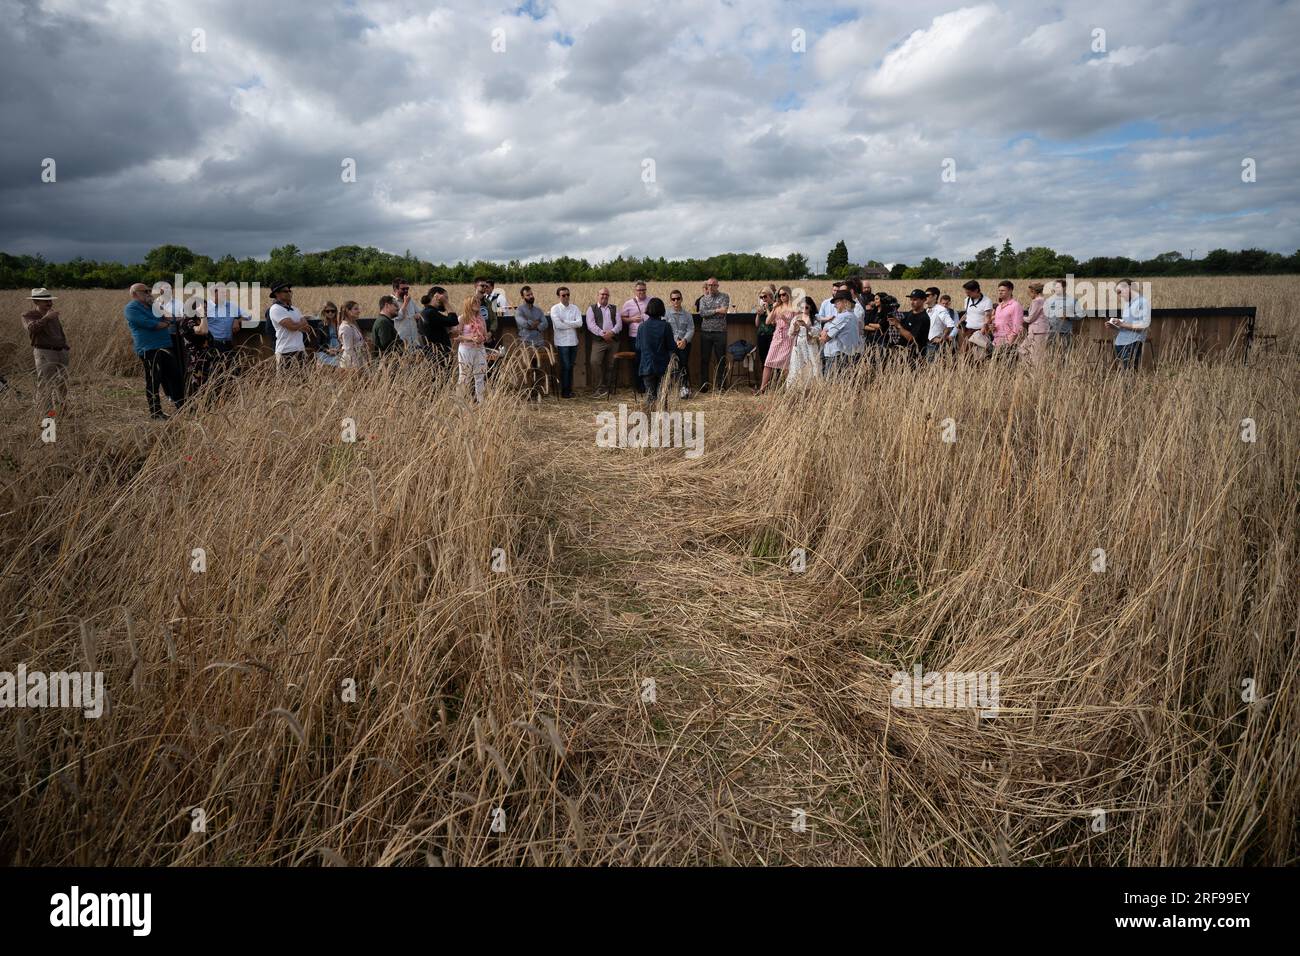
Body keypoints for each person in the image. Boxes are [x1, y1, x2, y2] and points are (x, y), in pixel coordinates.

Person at [124, 282, 184, 419]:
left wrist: (166, 320)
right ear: (134, 294)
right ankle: (156, 413)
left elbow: (169, 318)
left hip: (166, 345)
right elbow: (150, 324)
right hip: (149, 348)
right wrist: (164, 323)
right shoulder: (131, 308)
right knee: (154, 380)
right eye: (145, 291)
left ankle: (182, 407)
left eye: (149, 291)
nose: (148, 293)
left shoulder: (154, 306)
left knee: (175, 377)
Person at [22, 288, 70, 415]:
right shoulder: (29, 315)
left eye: (49, 300)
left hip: (60, 351)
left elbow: (59, 332)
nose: (49, 302)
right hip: (44, 352)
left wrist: (65, 347)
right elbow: (32, 329)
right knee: (45, 383)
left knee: (62, 383)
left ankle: (62, 410)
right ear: (35, 301)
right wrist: (47, 318)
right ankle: (45, 414)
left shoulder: (52, 313)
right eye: (45, 301)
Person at [205, 285, 250, 381]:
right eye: (221, 293)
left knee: (232, 372)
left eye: (224, 293)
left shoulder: (231, 305)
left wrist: (237, 320)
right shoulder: (206, 307)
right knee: (216, 373)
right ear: (213, 294)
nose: (224, 295)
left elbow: (248, 316)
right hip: (213, 345)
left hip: (229, 343)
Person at [636, 297, 674, 406]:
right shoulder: (666, 326)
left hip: (647, 366)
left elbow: (638, 347)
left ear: (648, 309)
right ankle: (663, 420)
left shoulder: (642, 327)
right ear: (662, 310)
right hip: (662, 366)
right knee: (663, 398)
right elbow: (671, 346)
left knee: (650, 397)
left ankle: (650, 420)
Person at [758, 284, 794, 394]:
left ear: (788, 295)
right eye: (780, 295)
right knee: (768, 362)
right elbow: (768, 321)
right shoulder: (777, 307)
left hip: (788, 337)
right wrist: (773, 309)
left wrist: (785, 318)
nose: (782, 297)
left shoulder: (793, 308)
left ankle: (786, 389)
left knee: (786, 365)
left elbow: (795, 323)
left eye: (784, 294)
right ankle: (762, 389)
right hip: (777, 337)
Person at [585, 288, 622, 396]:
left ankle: (609, 389)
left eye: (606, 294)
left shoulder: (614, 308)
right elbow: (590, 325)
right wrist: (603, 334)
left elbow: (619, 324)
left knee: (611, 364)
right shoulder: (591, 308)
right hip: (599, 341)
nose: (604, 296)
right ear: (598, 295)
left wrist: (611, 333)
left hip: (613, 340)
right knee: (594, 362)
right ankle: (599, 388)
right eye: (602, 294)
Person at [696, 277, 730, 392]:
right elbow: (702, 313)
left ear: (717, 286)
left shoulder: (724, 296)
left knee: (721, 360)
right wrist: (716, 310)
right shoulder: (703, 299)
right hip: (706, 333)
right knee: (704, 360)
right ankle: (704, 385)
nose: (711, 287)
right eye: (709, 285)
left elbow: (724, 311)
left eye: (713, 285)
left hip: (720, 333)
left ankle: (721, 386)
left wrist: (711, 312)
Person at [454, 293, 489, 401]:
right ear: (468, 304)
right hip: (466, 349)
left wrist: (483, 338)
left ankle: (481, 401)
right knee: (464, 376)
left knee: (480, 376)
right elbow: (457, 337)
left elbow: (486, 334)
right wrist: (471, 338)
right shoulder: (462, 318)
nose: (478, 304)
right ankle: (460, 402)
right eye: (474, 302)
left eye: (478, 302)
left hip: (479, 348)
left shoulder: (481, 318)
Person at [268, 282, 310, 372]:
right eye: (285, 291)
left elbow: (306, 327)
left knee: (304, 381)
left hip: (300, 349)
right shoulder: (275, 308)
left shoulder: (295, 309)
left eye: (289, 291)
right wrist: (299, 324)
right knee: (286, 382)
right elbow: (292, 326)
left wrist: (297, 325)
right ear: (277, 294)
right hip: (285, 351)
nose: (289, 293)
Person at [549, 286, 583, 399]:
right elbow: (558, 325)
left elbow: (580, 323)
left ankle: (569, 390)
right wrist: (572, 323)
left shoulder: (575, 308)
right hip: (562, 342)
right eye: (564, 295)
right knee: (566, 367)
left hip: (573, 341)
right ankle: (565, 391)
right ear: (559, 296)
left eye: (568, 294)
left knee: (571, 366)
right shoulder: (555, 309)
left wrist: (566, 322)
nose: (566, 297)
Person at [819, 289, 861, 377]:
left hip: (837, 358)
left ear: (845, 302)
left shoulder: (843, 317)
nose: (834, 306)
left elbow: (825, 338)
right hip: (846, 356)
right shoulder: (853, 316)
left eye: (837, 302)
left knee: (832, 386)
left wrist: (824, 331)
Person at [1110, 279, 1150, 371]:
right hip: (1120, 342)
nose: (1119, 295)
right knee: (1122, 372)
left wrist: (1122, 324)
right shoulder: (1127, 304)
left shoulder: (1143, 302)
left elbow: (1143, 326)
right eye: (1117, 293)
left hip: (1132, 342)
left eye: (1119, 291)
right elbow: (1126, 323)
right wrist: (1115, 325)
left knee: (1130, 372)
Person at [619, 281, 651, 395]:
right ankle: (639, 386)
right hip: (635, 336)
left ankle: (649, 386)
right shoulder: (628, 303)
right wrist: (632, 319)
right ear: (635, 291)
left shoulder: (651, 301)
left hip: (649, 336)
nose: (641, 292)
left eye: (643, 290)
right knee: (637, 361)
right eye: (639, 290)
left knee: (648, 361)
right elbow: (623, 317)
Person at [786, 295, 822, 389]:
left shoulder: (815, 318)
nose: (804, 309)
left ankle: (811, 390)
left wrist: (807, 326)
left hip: (810, 346)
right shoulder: (796, 318)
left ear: (811, 307)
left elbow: (817, 332)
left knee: (812, 368)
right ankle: (796, 390)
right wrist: (795, 328)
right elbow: (790, 334)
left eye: (806, 307)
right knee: (796, 368)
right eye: (802, 307)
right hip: (798, 346)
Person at [418, 286, 458, 370]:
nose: (447, 300)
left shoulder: (427, 312)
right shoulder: (430, 313)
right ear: (436, 297)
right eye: (445, 298)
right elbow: (453, 320)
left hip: (435, 357)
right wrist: (446, 303)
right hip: (438, 358)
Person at [665, 289, 694, 399]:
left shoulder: (687, 315)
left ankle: (684, 388)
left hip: (684, 345)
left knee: (683, 365)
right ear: (670, 301)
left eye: (678, 298)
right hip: (671, 344)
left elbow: (691, 329)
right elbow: (666, 329)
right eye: (673, 299)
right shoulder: (666, 314)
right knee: (671, 366)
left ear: (681, 299)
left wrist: (684, 341)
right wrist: (676, 340)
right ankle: (671, 388)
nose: (676, 301)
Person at [889, 290, 930, 366]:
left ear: (923, 300)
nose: (912, 302)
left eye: (915, 300)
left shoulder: (923, 318)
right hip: (903, 355)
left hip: (915, 358)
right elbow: (903, 328)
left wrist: (898, 325)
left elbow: (912, 338)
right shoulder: (910, 313)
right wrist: (895, 322)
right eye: (911, 299)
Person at [1045, 278, 1084, 353]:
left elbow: (1081, 314)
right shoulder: (1049, 300)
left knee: (1065, 356)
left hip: (1065, 332)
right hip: (1051, 332)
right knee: (1051, 355)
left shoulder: (1073, 300)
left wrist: (1069, 316)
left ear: (1064, 288)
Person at [959, 280, 993, 359]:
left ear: (976, 290)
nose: (967, 294)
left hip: (979, 331)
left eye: (969, 292)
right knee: (964, 355)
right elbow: (967, 313)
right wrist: (960, 322)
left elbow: (988, 317)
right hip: (967, 331)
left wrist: (981, 332)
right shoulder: (967, 300)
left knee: (978, 356)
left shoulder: (987, 301)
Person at [990, 280, 1024, 359]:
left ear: (1010, 291)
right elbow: (997, 324)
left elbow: (1017, 326)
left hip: (1008, 343)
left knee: (1007, 367)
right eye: (999, 290)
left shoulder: (1015, 305)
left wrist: (1009, 343)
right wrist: (993, 328)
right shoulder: (998, 307)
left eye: (1003, 290)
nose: (1000, 292)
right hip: (996, 341)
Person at [1018, 282, 1049, 367]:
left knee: (1036, 355)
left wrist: (1020, 318)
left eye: (1029, 293)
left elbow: (1030, 318)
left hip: (1037, 331)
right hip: (1040, 330)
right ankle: (1029, 366)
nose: (1029, 295)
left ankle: (1033, 370)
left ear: (1033, 291)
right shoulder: (1044, 300)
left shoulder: (1037, 301)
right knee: (1023, 348)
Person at [390, 277, 423, 351]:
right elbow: (399, 316)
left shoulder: (409, 300)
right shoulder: (390, 301)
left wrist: (418, 314)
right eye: (403, 289)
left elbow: (420, 311)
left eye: (407, 288)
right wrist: (405, 303)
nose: (406, 291)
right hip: (402, 342)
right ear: (395, 289)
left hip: (414, 340)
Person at [337, 300, 370, 371]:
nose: (359, 311)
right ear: (347, 311)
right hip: (351, 363)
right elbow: (349, 349)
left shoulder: (352, 324)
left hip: (359, 358)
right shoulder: (345, 327)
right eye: (355, 309)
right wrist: (356, 367)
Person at [925, 287, 955, 362]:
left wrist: (942, 338)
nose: (925, 297)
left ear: (935, 296)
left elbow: (950, 324)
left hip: (935, 345)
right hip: (926, 343)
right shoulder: (927, 310)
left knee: (932, 368)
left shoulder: (940, 309)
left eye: (928, 295)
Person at [754, 284, 777, 368]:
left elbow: (773, 322)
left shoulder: (775, 307)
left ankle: (774, 379)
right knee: (763, 359)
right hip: (761, 334)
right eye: (761, 297)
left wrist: (767, 309)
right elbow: (757, 324)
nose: (763, 299)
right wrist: (758, 314)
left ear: (770, 296)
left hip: (771, 335)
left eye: (765, 297)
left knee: (772, 359)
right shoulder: (761, 306)